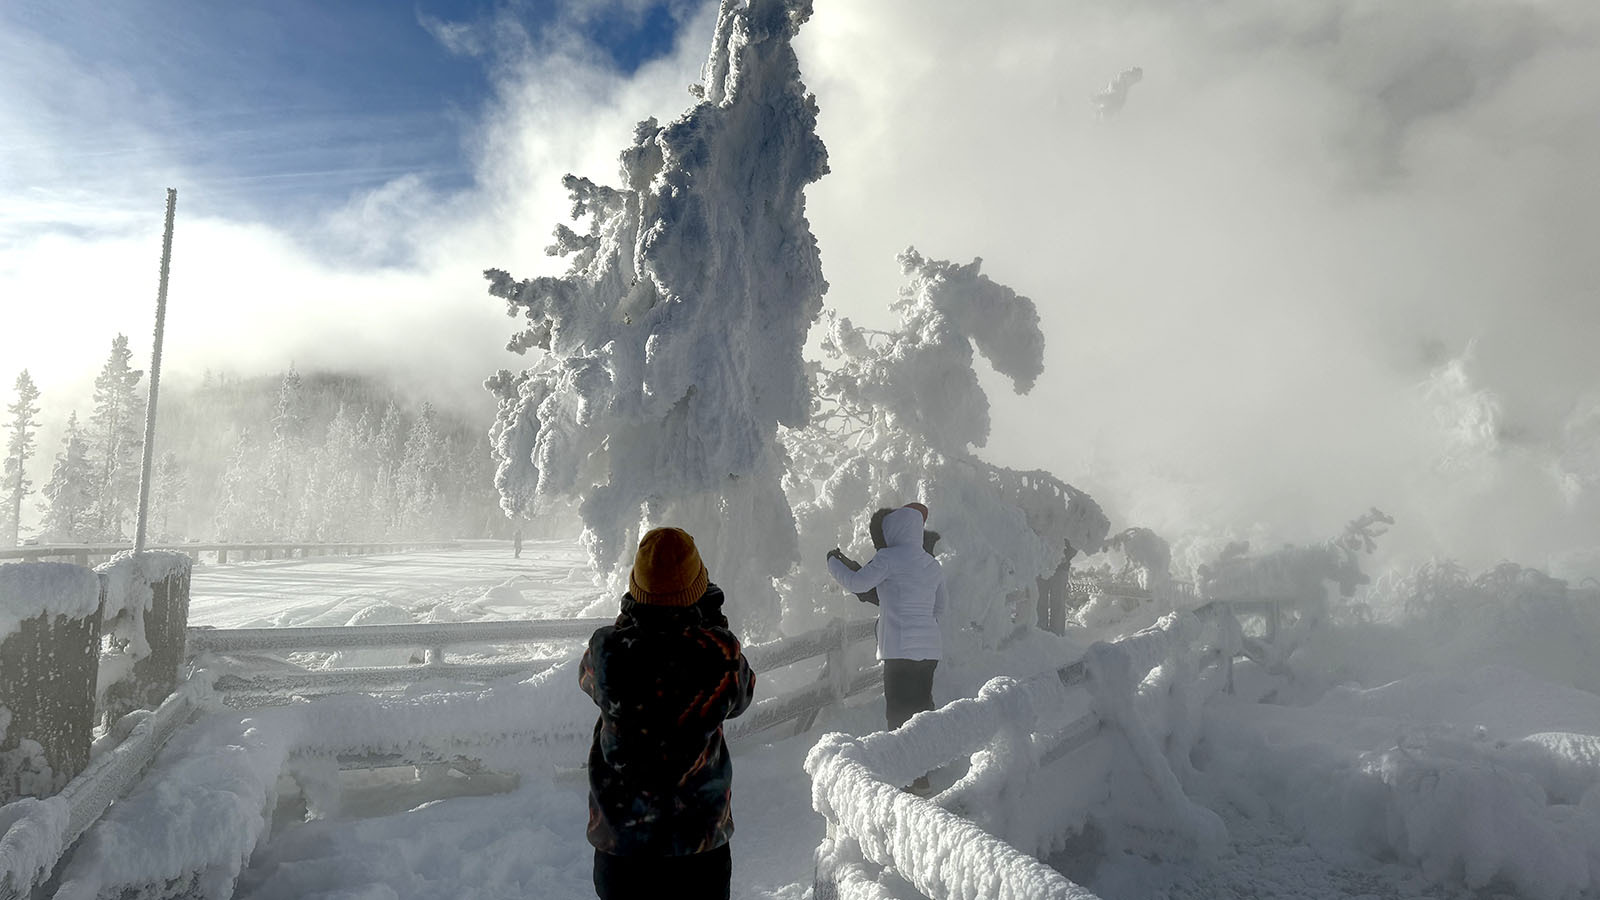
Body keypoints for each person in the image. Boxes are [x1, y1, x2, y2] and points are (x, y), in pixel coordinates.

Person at [579, 527, 756, 900]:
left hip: (621, 848)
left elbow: (589, 681)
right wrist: (711, 625)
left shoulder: (606, 650)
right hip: (699, 850)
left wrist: (631, 621)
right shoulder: (719, 653)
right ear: (697, 586)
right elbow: (743, 693)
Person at [826, 503, 946, 792]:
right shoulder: (931, 564)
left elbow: (857, 582)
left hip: (900, 650)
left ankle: (910, 778)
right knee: (921, 709)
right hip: (929, 650)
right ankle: (924, 772)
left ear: (892, 530)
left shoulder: (889, 558)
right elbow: (940, 609)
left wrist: (833, 561)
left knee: (899, 714)